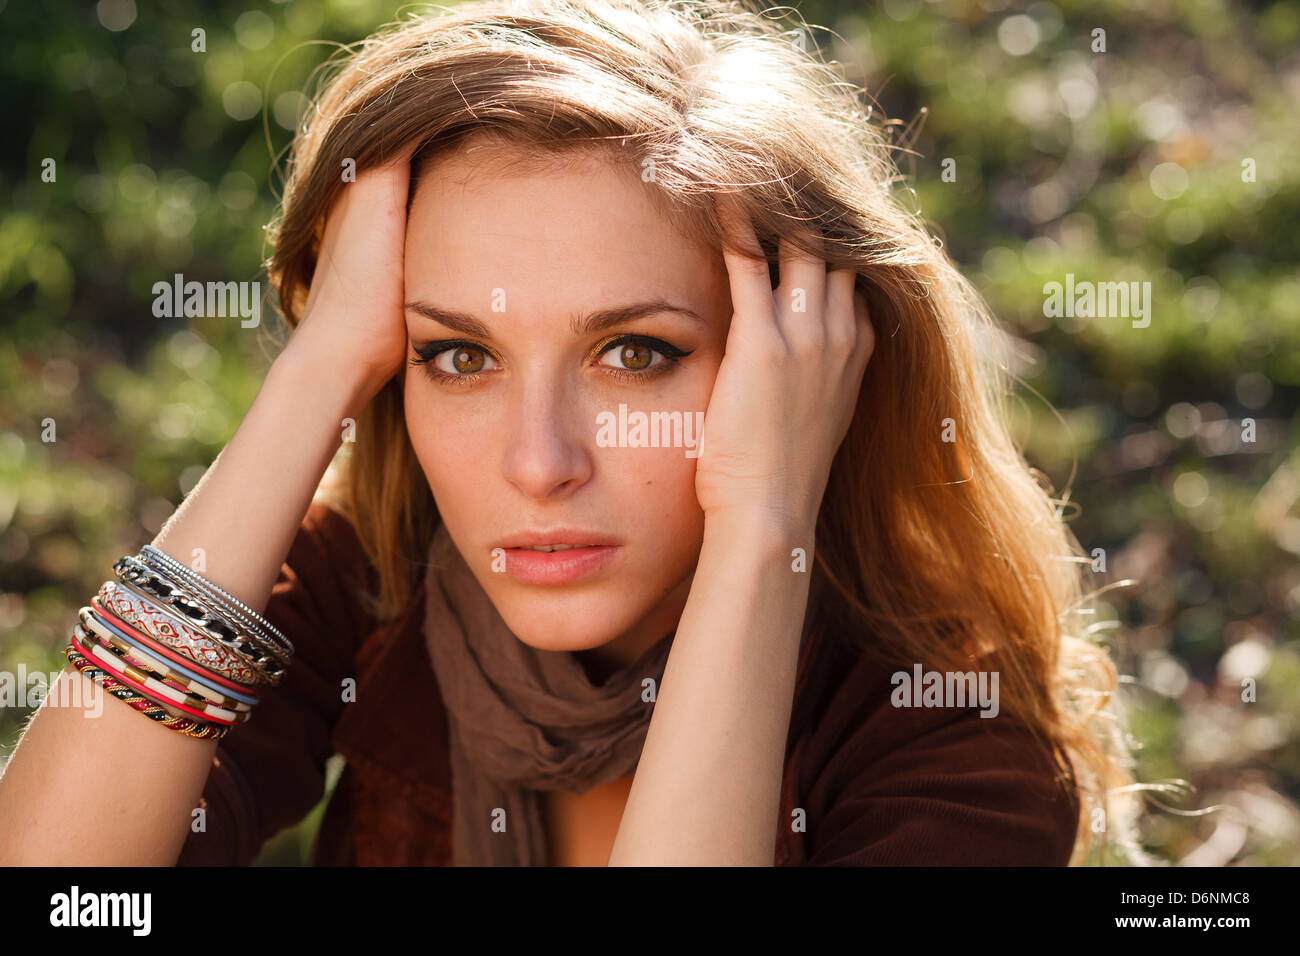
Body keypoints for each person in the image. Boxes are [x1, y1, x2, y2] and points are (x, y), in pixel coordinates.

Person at [0, 0, 1147, 866]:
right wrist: (320, 367)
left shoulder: (943, 748)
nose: (538, 463)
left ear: (810, 367)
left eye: (636, 352)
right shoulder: (376, 592)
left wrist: (762, 528)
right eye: (459, 355)